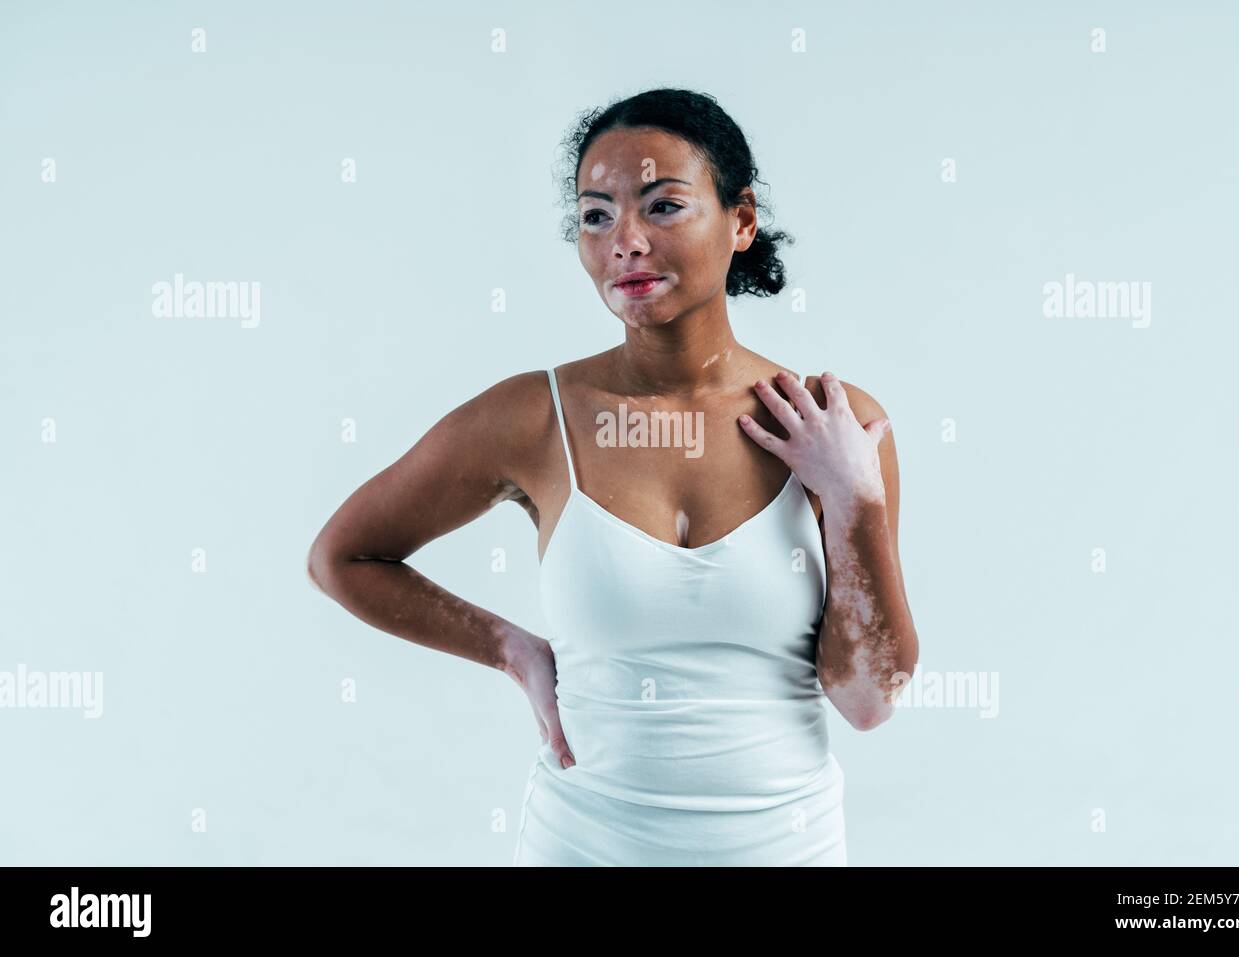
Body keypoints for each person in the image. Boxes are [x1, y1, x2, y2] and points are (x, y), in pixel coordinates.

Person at [307, 88, 919, 866]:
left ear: (740, 220)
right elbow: (344, 556)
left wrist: (852, 499)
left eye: (662, 207)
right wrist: (508, 647)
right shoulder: (536, 417)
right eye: (595, 215)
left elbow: (868, 699)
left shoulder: (834, 421)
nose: (623, 241)